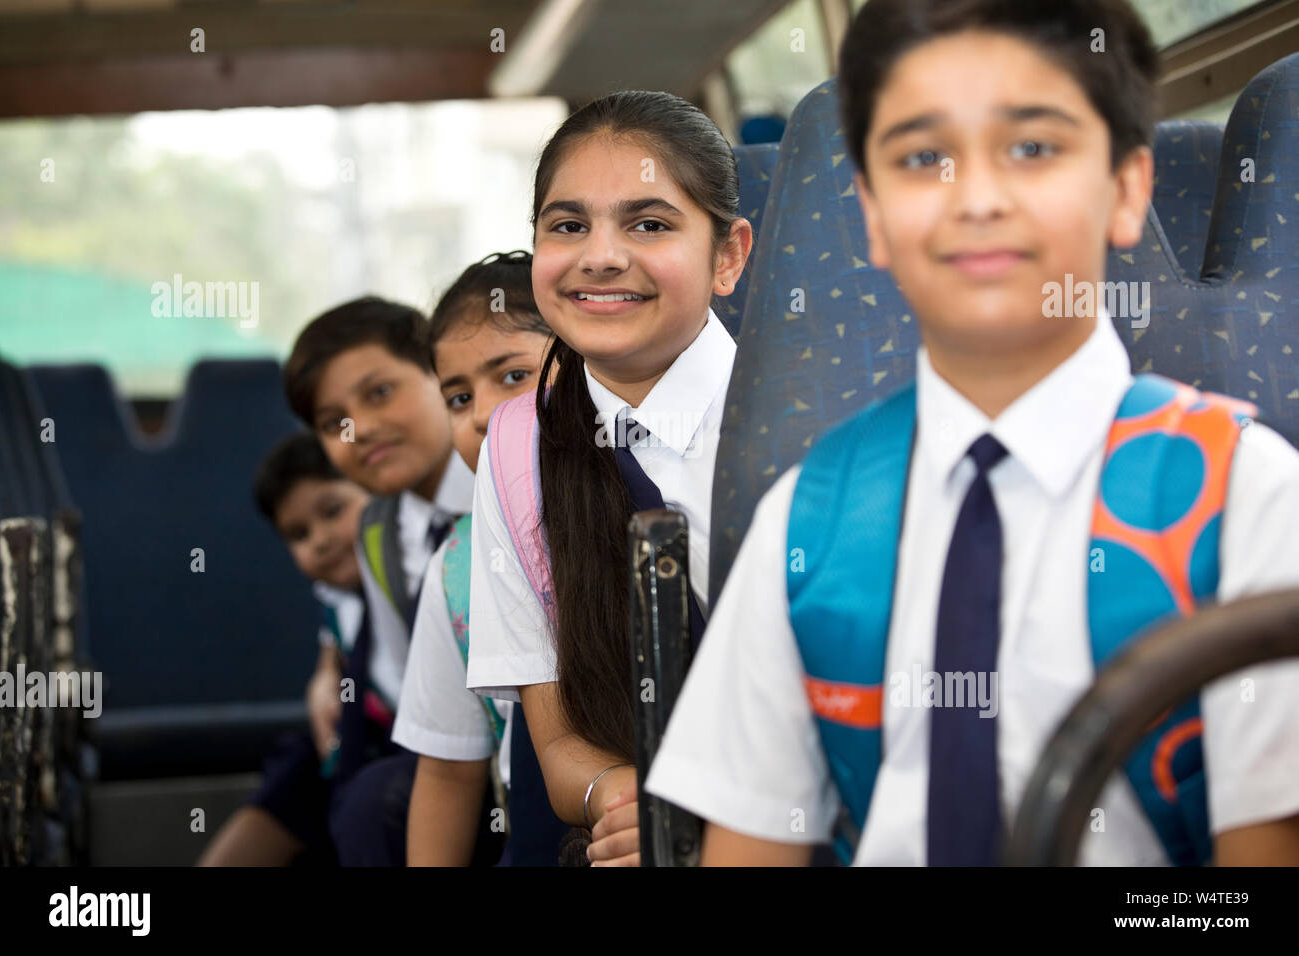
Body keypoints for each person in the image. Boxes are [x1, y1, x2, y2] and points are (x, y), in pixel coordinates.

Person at [646, 0, 1299, 866]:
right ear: (874, 216)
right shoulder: (807, 521)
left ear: (1127, 191)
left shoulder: (1248, 497)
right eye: (925, 158)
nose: (979, 198)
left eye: (1034, 147)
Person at [465, 91, 753, 866]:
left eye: (649, 224)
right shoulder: (518, 445)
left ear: (727, 257)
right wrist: (618, 798)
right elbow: (556, 740)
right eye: (568, 226)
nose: (599, 256)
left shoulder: (803, 417)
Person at [284, 295, 475, 865]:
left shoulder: (510, 486)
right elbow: (407, 684)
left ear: (438, 375)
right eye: (331, 422)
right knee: (367, 798)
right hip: (454, 760)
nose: (360, 428)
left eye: (379, 393)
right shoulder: (375, 533)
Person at [394, 250, 554, 866]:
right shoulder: (457, 570)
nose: (482, 416)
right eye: (458, 398)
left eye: (513, 376)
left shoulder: (660, 519)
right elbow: (448, 775)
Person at [198, 432, 369, 866]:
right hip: (340, 752)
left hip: (391, 756)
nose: (321, 540)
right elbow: (336, 635)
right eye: (298, 534)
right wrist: (326, 674)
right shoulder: (341, 596)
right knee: (296, 774)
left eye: (333, 511)